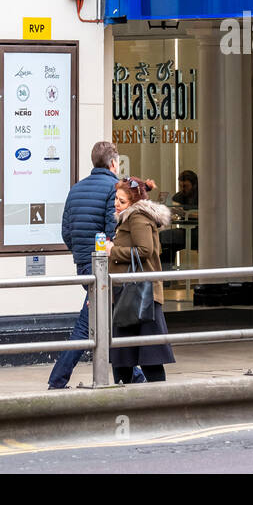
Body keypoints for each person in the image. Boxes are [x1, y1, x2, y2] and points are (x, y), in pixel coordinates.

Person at [47, 140, 118, 390]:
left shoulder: (76, 189)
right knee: (87, 324)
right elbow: (113, 229)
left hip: (83, 265)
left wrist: (80, 253)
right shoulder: (114, 188)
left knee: (106, 319)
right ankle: (58, 379)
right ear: (113, 163)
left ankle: (132, 374)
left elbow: (66, 231)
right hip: (104, 267)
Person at [108, 176, 176, 383]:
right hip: (131, 293)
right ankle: (132, 400)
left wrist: (114, 251)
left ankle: (154, 401)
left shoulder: (137, 217)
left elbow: (145, 250)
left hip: (139, 293)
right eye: (116, 200)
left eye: (122, 201)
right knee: (127, 355)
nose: (116, 205)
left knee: (146, 356)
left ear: (134, 202)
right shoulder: (131, 217)